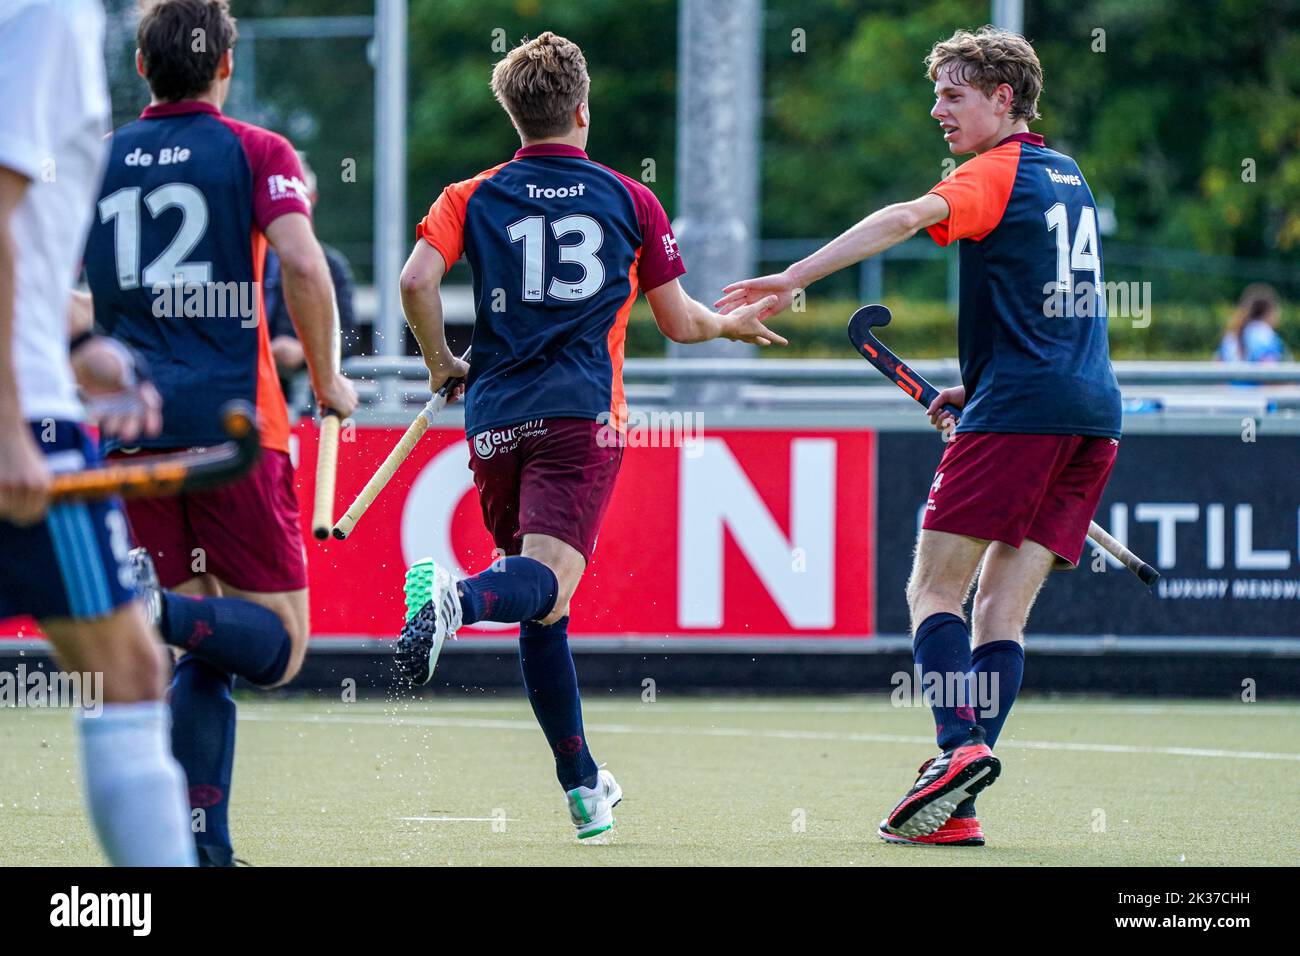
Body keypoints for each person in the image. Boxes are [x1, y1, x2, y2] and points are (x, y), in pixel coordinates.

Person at [718, 26, 1122, 846]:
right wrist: (977, 386)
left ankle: (954, 748)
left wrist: (793, 278)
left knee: (934, 590)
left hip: (1023, 412)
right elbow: (1052, 312)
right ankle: (956, 801)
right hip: (1089, 413)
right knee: (1000, 615)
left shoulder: (993, 172)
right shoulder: (1069, 175)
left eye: (954, 95)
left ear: (1003, 98)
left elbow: (905, 216)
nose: (938, 110)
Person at [397, 32, 785, 842]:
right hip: (581, 415)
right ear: (582, 110)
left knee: (547, 604)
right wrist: (729, 327)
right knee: (544, 582)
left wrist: (442, 364)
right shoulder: (630, 200)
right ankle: (458, 601)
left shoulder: (471, 192)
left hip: (496, 418)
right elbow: (679, 325)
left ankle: (583, 788)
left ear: (514, 113)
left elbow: (414, 280)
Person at [81, 0, 357, 866]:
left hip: (128, 435)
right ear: (224, 65)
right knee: (276, 646)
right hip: (236, 429)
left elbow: (57, 293)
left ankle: (208, 850)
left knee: (202, 644)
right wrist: (331, 375)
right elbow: (306, 265)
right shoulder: (256, 150)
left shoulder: (97, 159)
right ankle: (149, 605)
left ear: (140, 65)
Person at [0, 0, 193, 866]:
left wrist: (80, 340)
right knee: (130, 675)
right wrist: (9, 429)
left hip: (38, 386)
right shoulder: (52, 12)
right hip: (26, 415)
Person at [262, 152, 361, 399]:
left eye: (296, 198)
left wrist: (304, 352)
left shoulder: (332, 265)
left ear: (312, 199)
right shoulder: (247, 260)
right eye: (279, 200)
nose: (287, 210)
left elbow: (348, 337)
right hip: (250, 397)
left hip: (305, 401)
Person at [1216, 283, 1288, 363]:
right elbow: (1268, 367)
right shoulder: (1265, 336)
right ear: (1270, 312)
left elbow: (1217, 364)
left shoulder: (1231, 336)